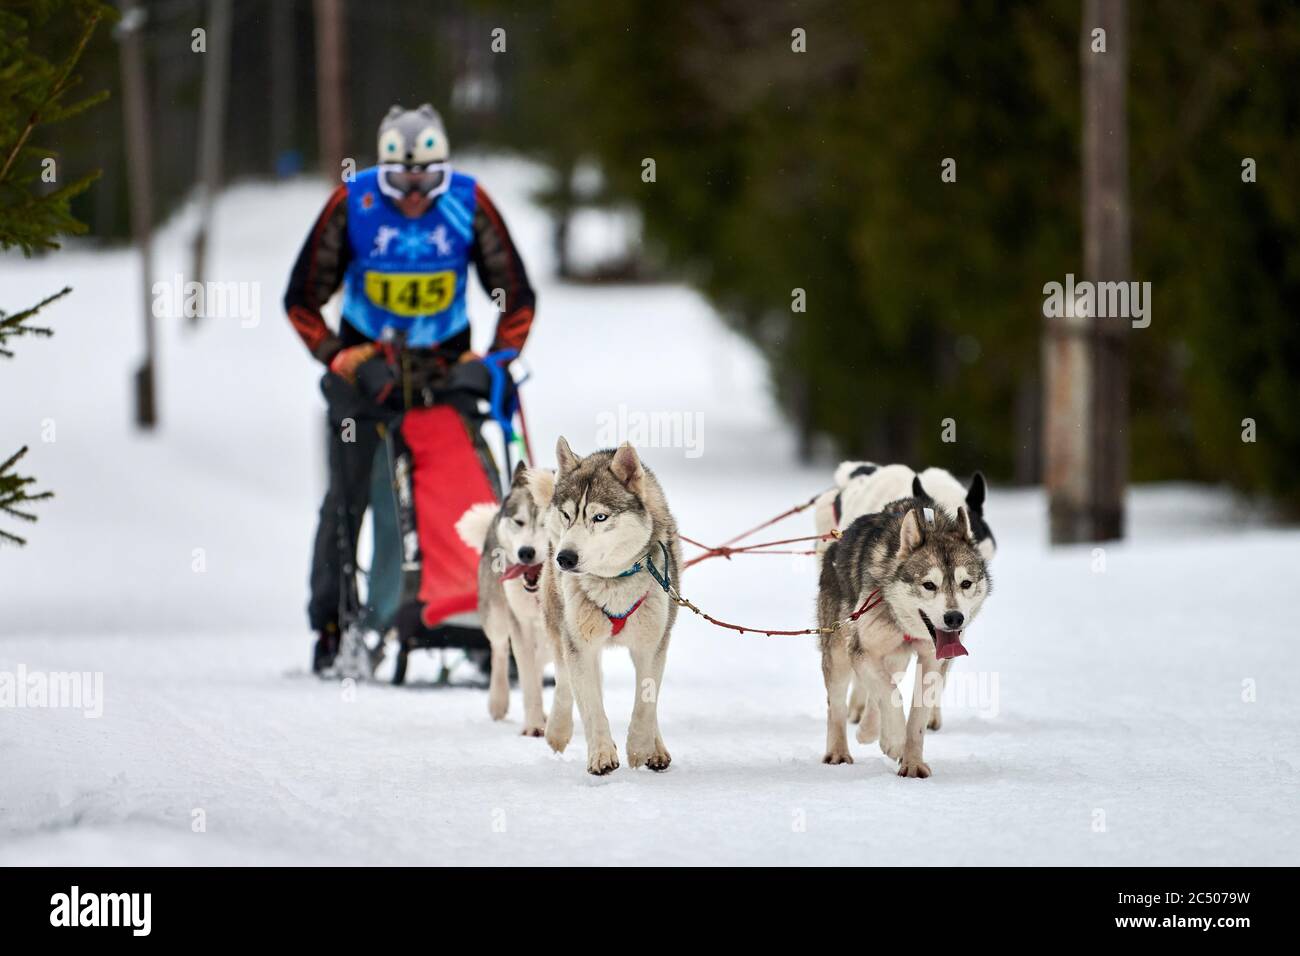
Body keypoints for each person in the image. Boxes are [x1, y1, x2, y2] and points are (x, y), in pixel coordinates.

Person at [283, 104, 536, 673]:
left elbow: (517, 297)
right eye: (401, 182)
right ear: (382, 172)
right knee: (347, 502)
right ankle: (336, 630)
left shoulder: (469, 203)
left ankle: (490, 625)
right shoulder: (354, 203)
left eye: (427, 181)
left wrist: (493, 362)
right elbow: (300, 300)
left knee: (473, 494)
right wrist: (340, 357)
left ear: (444, 172)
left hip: (445, 371)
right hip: (366, 373)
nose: (415, 195)